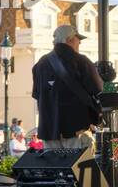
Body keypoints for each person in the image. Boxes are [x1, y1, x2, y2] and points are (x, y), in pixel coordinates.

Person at [31, 24, 103, 154]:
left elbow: (36, 94)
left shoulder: (40, 64)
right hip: (76, 128)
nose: (79, 42)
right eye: (77, 39)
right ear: (69, 40)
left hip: (49, 129)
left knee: (56, 171)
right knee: (79, 170)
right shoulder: (81, 61)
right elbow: (97, 89)